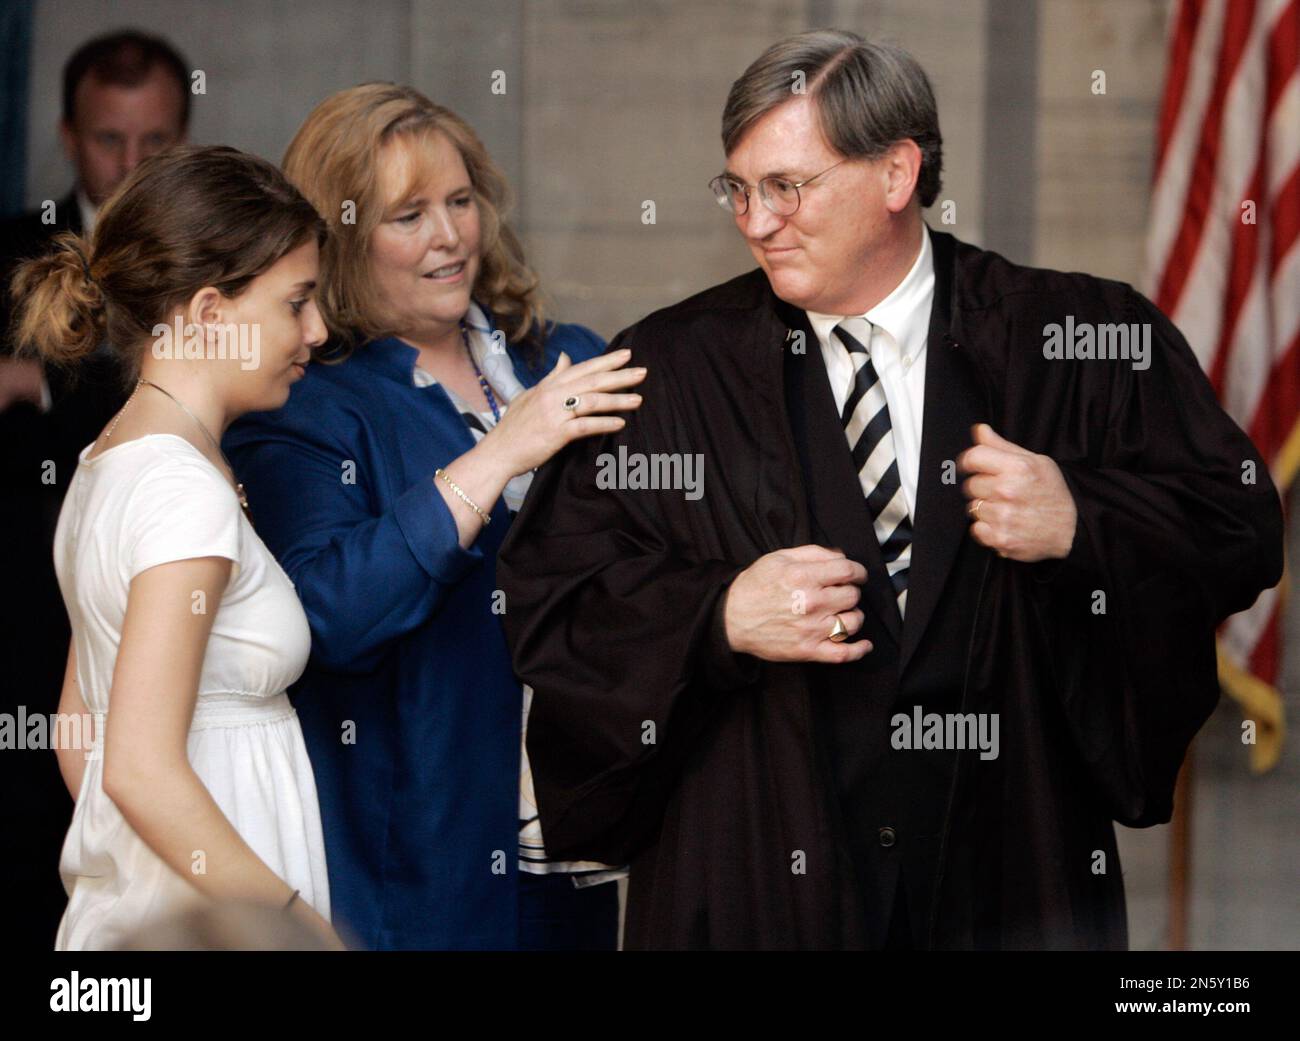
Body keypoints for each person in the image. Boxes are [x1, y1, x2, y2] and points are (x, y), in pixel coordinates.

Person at [496, 29, 1285, 950]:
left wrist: (1084, 518)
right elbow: (551, 605)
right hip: (757, 874)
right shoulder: (664, 372)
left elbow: (1239, 525)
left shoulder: (1080, 339)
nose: (755, 221)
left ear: (895, 173)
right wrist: (715, 618)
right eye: (738, 189)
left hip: (1012, 871)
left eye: (787, 187)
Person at [224, 84, 642, 950]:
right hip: (424, 869)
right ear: (338, 243)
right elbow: (328, 611)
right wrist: (495, 457)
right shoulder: (304, 405)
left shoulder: (569, 356)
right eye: (407, 215)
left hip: (576, 849)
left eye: (459, 202)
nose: (449, 236)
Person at [9, 144, 342, 951]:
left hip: (158, 914)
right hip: (207, 926)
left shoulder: (108, 459)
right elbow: (137, 766)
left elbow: (79, 731)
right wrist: (297, 928)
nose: (319, 329)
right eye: (295, 302)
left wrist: (133, 880)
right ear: (207, 315)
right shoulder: (181, 489)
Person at [0, 29, 190, 948]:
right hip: (19, 597)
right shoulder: (10, 255)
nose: (130, 165)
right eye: (112, 141)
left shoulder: (208, 265)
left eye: (155, 143)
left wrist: (39, 383)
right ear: (71, 138)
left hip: (160, 602)